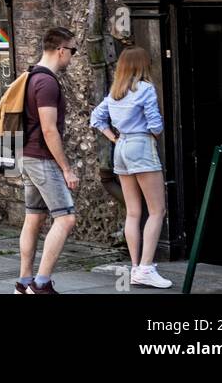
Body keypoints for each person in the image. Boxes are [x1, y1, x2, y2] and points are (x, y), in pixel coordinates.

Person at [90, 46, 171, 289]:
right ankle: (146, 268)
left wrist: (114, 138)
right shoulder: (145, 89)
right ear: (142, 65)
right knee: (157, 211)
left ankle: (136, 268)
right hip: (140, 145)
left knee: (134, 212)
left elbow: (96, 118)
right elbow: (156, 124)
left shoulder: (116, 92)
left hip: (122, 148)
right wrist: (150, 138)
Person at [16, 27, 79, 295]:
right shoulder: (47, 82)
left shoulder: (31, 76)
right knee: (66, 219)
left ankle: (24, 282)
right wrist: (66, 168)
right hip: (42, 159)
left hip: (27, 156)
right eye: (73, 51)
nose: (72, 58)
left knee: (34, 217)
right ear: (61, 50)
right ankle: (41, 285)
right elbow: (49, 129)